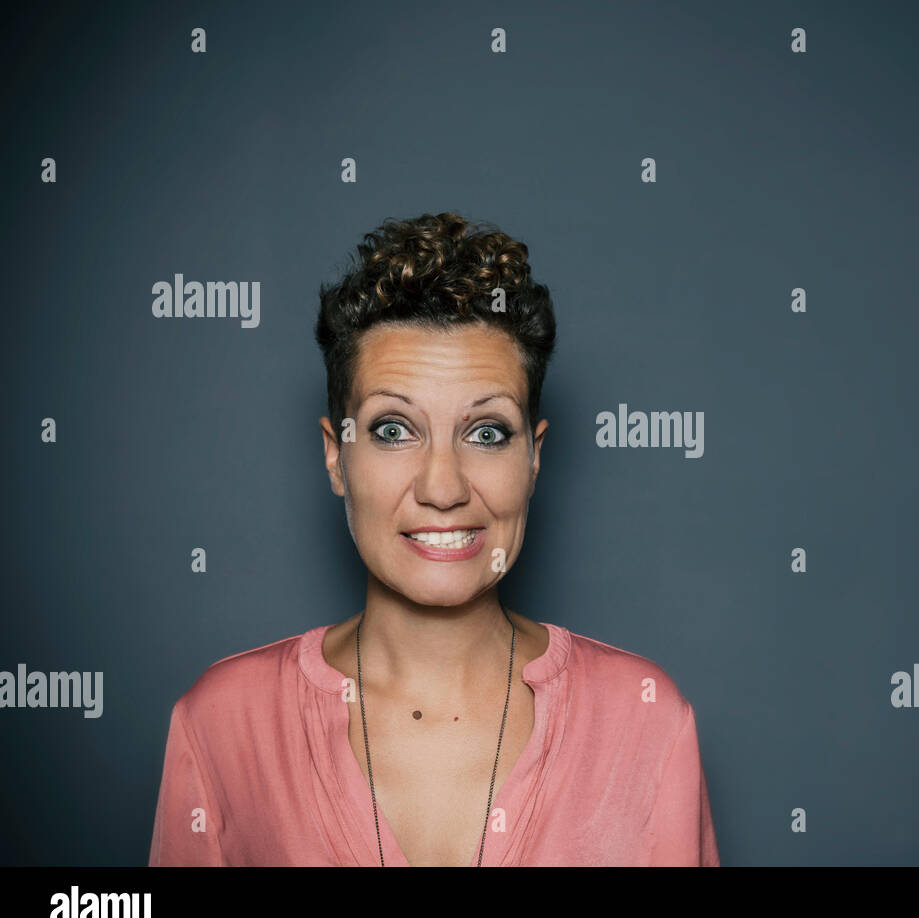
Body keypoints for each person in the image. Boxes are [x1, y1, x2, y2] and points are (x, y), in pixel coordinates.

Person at [148, 211, 720, 866]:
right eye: (393, 430)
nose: (442, 488)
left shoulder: (645, 720)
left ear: (533, 458)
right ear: (336, 456)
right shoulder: (222, 723)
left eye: (487, 433)